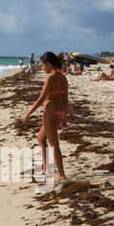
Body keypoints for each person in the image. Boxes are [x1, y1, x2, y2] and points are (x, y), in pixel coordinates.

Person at [20, 51, 68, 181]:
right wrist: (64, 118)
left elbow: (41, 99)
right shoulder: (63, 77)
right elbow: (65, 99)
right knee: (41, 138)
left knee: (53, 144)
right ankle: (46, 168)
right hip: (59, 111)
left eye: (42, 65)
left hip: (50, 113)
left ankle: (61, 173)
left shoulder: (51, 78)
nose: (42, 68)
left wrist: (27, 114)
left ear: (48, 64)